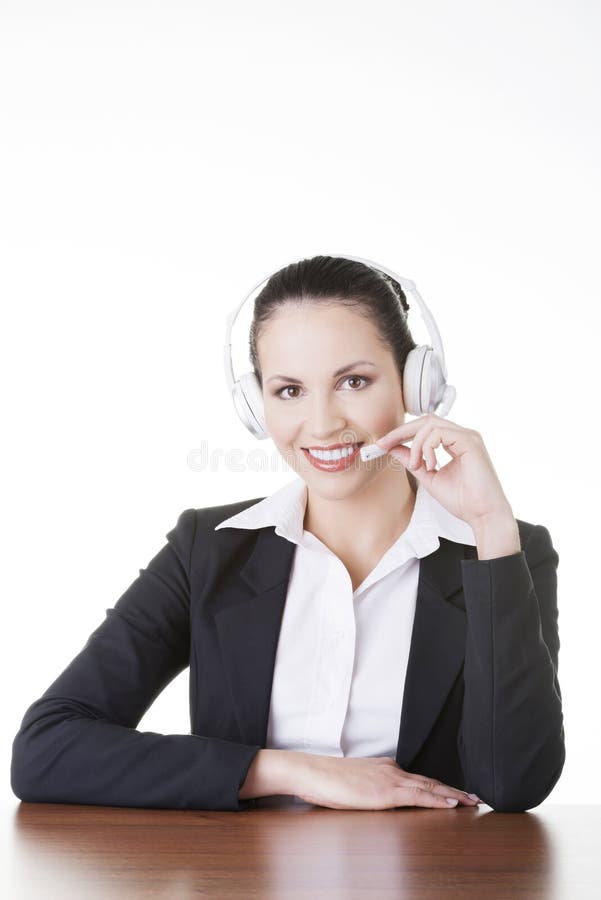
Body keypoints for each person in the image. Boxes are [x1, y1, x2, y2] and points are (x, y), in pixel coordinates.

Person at [10, 255, 565, 814]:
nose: (322, 423)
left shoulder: (506, 551)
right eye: (289, 391)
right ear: (257, 407)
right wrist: (293, 771)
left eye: (354, 381)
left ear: (416, 385)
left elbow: (513, 784)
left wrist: (491, 526)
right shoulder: (208, 548)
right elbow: (46, 750)